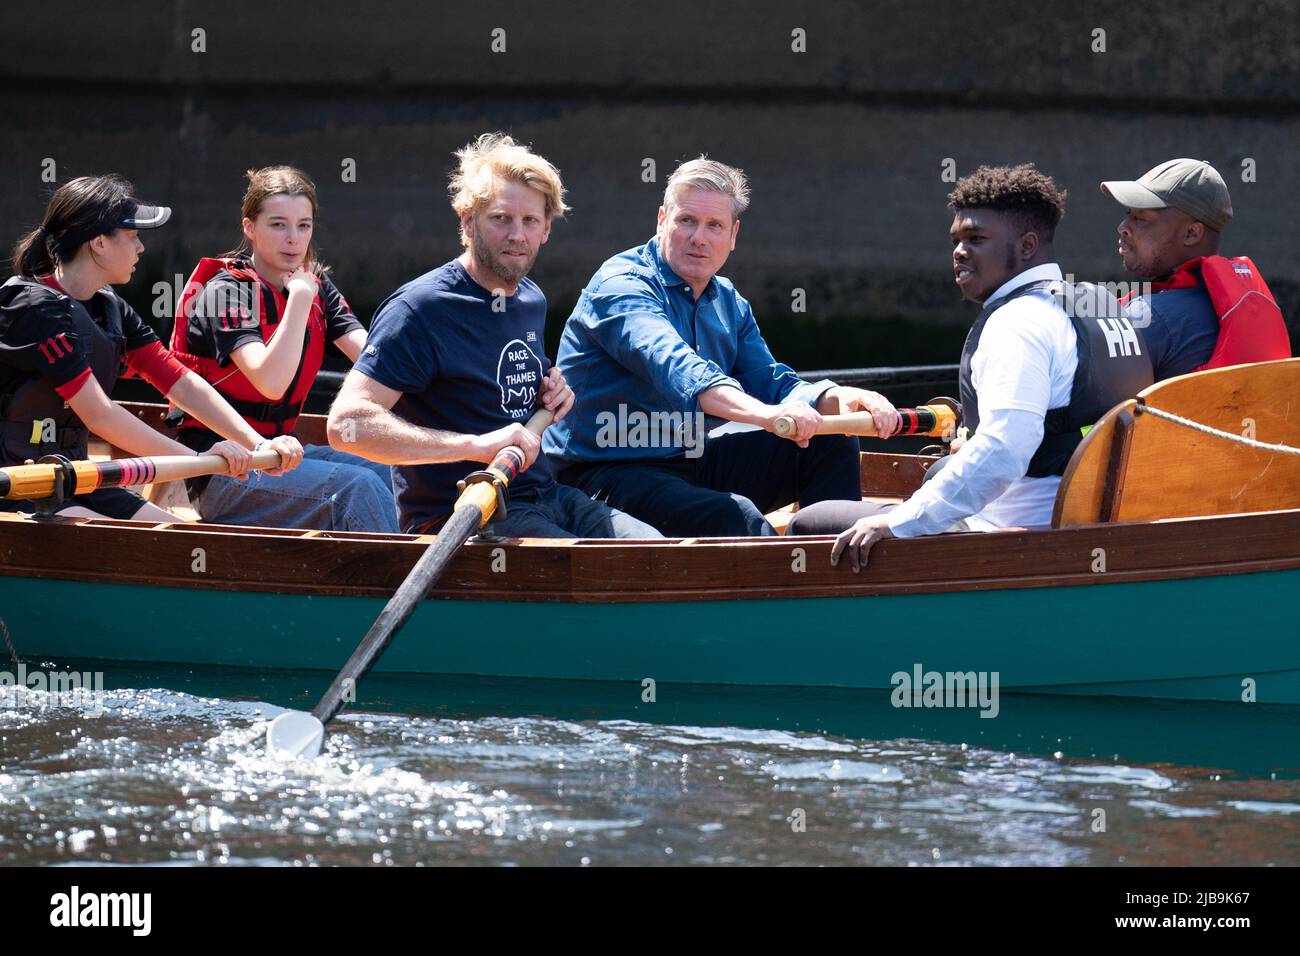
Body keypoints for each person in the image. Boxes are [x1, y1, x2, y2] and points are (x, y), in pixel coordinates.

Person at [787, 164, 1153, 568]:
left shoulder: (1018, 323)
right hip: (1106, 522)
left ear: (1028, 245)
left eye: (976, 239)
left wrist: (899, 522)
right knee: (940, 473)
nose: (960, 252)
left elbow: (1004, 450)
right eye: (956, 240)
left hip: (1021, 536)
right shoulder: (1101, 304)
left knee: (809, 520)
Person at [541, 157, 901, 538]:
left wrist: (839, 397)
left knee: (832, 443)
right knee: (736, 515)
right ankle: (792, 586)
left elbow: (773, 382)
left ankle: (831, 566)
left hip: (688, 457)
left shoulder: (727, 300)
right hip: (600, 474)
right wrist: (765, 415)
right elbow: (680, 368)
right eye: (686, 221)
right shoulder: (621, 286)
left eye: (714, 226)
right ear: (662, 220)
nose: (699, 237)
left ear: (733, 235)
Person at [326, 133, 660, 539]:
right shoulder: (421, 310)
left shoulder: (530, 298)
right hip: (461, 517)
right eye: (501, 218)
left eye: (530, 221)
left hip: (544, 493)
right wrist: (475, 446)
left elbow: (509, 385)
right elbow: (346, 425)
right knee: (595, 573)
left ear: (546, 230)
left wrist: (553, 390)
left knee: (650, 551)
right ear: (468, 223)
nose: (517, 234)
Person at [0, 174, 303, 521]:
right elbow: (101, 415)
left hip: (71, 477)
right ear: (99, 242)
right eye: (132, 237)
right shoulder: (35, 309)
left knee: (179, 542)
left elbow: (180, 381)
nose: (141, 248)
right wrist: (200, 463)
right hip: (14, 487)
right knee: (128, 547)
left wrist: (257, 443)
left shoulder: (109, 306)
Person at [169, 166, 398, 532]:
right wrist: (300, 299)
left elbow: (377, 362)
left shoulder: (318, 288)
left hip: (278, 457)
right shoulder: (225, 293)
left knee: (398, 472)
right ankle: (397, 585)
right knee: (358, 488)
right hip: (221, 469)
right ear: (249, 228)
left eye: (303, 226)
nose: (293, 239)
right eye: (278, 225)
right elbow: (271, 382)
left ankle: (436, 579)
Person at [1104, 157, 1290, 380]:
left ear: (1192, 233)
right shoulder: (1240, 305)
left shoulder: (1150, 316)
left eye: (1141, 218)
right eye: (1128, 215)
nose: (1122, 227)